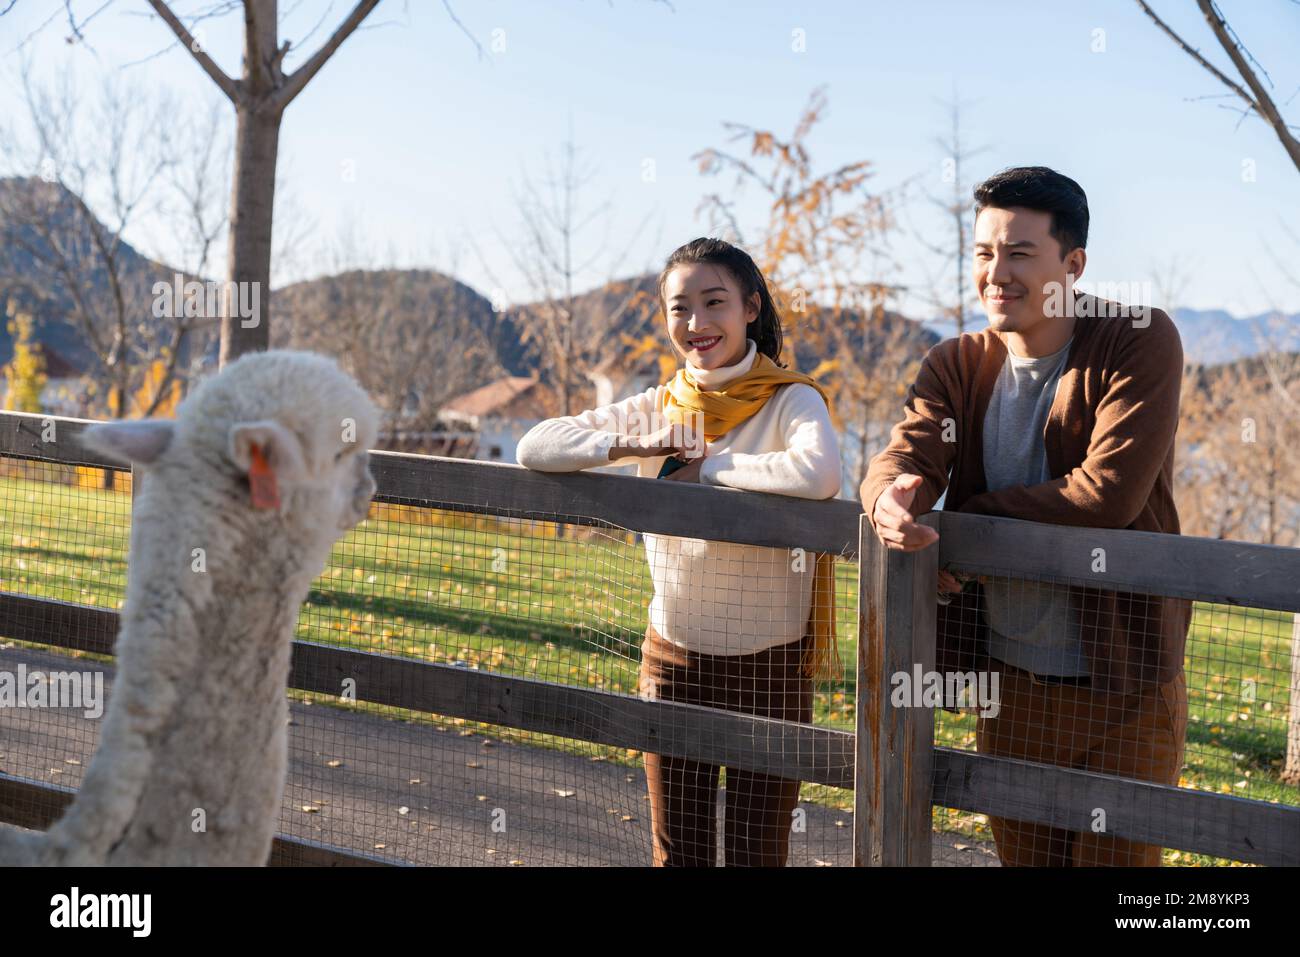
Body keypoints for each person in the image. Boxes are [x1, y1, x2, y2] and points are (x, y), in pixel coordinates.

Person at [860, 167, 1190, 866]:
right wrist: (891, 501)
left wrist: (968, 524)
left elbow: (1107, 494)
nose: (995, 273)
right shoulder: (955, 362)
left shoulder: (1137, 339)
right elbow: (906, 456)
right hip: (1009, 683)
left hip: (1124, 679)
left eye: (1018, 253)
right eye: (982, 253)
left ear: (1072, 265)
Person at [517, 237, 842, 866]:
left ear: (750, 306)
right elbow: (535, 445)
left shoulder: (790, 398)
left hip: (770, 670)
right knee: (679, 852)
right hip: (674, 662)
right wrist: (628, 446)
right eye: (679, 308)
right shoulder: (659, 408)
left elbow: (818, 475)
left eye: (713, 302)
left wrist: (712, 467)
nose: (696, 324)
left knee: (758, 853)